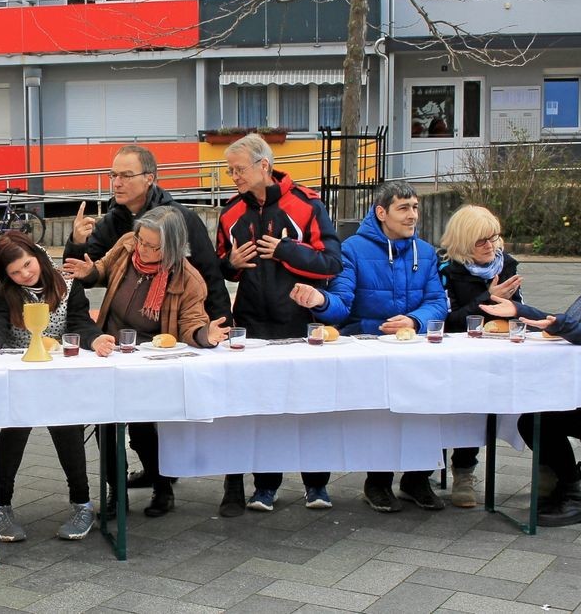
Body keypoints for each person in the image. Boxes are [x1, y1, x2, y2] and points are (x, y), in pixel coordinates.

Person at [65, 144, 232, 489]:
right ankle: (119, 489)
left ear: (150, 178)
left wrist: (212, 330)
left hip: (159, 342)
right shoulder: (117, 227)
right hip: (115, 342)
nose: (116, 182)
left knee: (149, 422)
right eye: (113, 175)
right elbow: (87, 271)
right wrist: (76, 242)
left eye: (126, 175)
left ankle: (163, 481)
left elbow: (207, 280)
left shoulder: (180, 221)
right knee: (108, 421)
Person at [289, 180, 448, 513]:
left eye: (415, 207)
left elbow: (437, 302)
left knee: (427, 410)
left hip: (415, 349)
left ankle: (417, 480)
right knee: (383, 416)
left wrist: (415, 321)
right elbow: (342, 303)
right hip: (370, 347)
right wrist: (319, 300)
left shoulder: (427, 252)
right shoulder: (353, 250)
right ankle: (377, 482)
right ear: (381, 212)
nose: (413, 216)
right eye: (404, 208)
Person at [482, 211, 581, 527]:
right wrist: (518, 309)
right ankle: (567, 485)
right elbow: (565, 325)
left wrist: (562, 325)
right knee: (535, 412)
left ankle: (572, 496)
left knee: (537, 417)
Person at [215, 134, 343, 514]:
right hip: (253, 325)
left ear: (264, 166)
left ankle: (317, 485)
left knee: (309, 407)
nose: (232, 176)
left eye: (238, 169)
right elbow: (220, 264)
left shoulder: (306, 204)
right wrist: (230, 265)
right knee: (262, 409)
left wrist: (285, 251)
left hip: (300, 324)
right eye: (230, 170)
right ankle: (265, 487)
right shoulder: (229, 212)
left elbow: (332, 263)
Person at [0, 231, 104, 542]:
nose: (24, 275)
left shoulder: (68, 286)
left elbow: (81, 323)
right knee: (13, 433)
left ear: (38, 256)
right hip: (20, 375)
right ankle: (0, 506)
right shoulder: (2, 293)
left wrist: (96, 339)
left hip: (58, 375)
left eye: (28, 265)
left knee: (68, 430)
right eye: (15, 272)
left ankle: (82, 503)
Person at [437, 204, 522, 508]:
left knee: (484, 408)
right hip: (457, 350)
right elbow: (449, 320)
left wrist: (513, 309)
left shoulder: (506, 265)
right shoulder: (447, 269)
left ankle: (465, 470)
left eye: (495, 238)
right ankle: (449, 469)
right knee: (458, 410)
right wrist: (489, 298)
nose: (491, 246)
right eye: (481, 241)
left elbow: (519, 311)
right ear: (463, 241)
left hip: (496, 350)